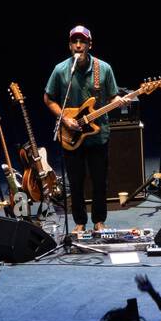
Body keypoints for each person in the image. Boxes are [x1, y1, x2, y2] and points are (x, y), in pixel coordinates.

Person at [43, 25, 128, 236]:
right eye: (75, 41)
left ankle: (99, 221)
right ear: (70, 45)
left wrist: (118, 101)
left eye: (83, 42)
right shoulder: (61, 70)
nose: (78, 45)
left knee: (100, 181)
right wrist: (64, 118)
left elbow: (112, 96)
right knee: (76, 181)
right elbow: (48, 98)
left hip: (98, 136)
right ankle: (79, 222)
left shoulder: (104, 69)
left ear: (90, 45)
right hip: (70, 135)